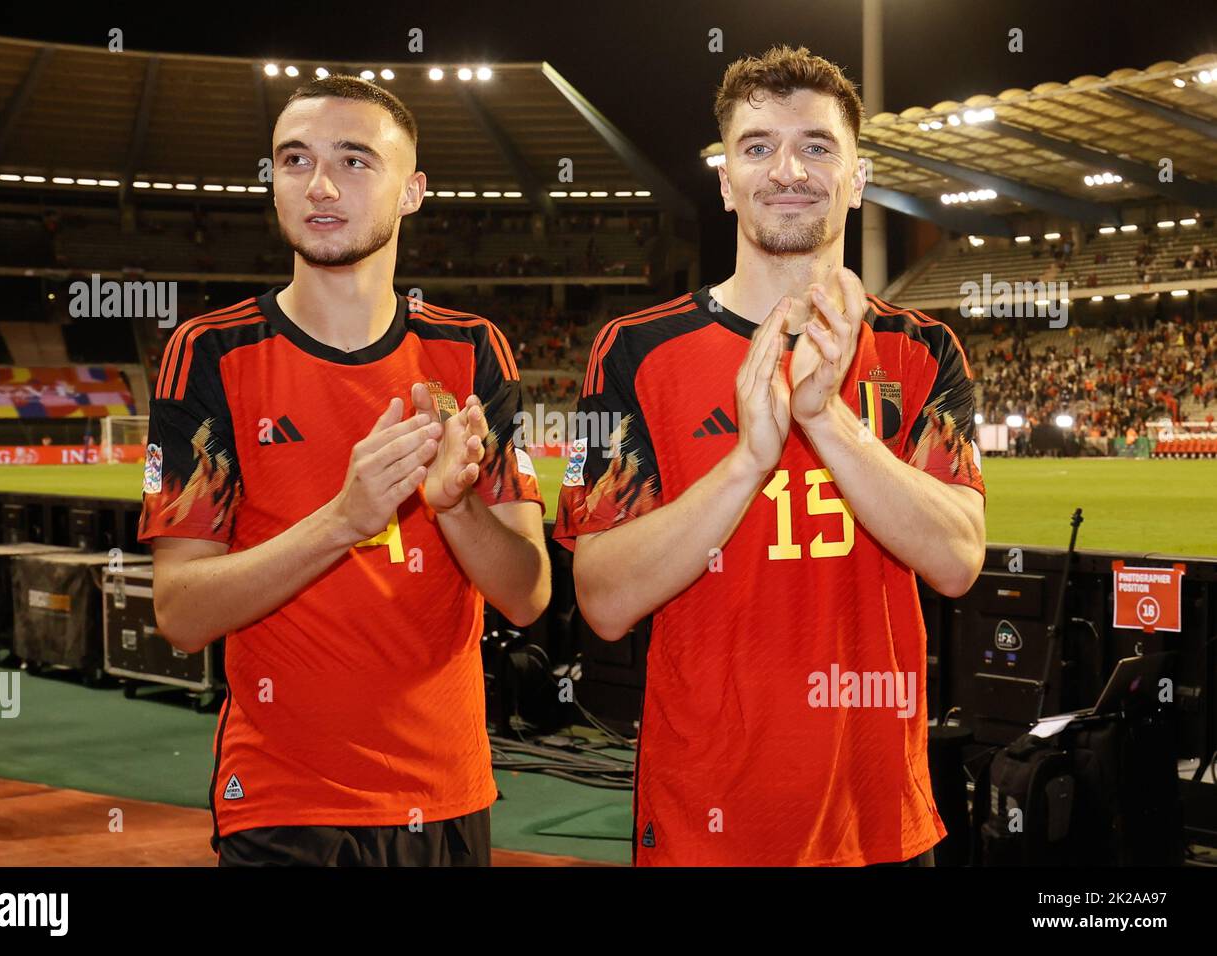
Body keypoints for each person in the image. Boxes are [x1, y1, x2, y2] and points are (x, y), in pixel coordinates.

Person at [554, 45, 986, 866]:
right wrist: (747, 462)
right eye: (757, 147)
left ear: (858, 178)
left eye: (818, 146)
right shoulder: (626, 351)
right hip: (702, 825)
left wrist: (827, 423)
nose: (788, 168)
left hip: (880, 820)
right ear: (725, 180)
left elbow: (959, 558)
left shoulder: (926, 349)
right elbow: (601, 598)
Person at [139, 75, 550, 867]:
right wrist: (343, 520)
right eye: (295, 160)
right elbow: (182, 615)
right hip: (284, 802)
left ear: (413, 192)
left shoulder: (471, 350)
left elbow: (527, 595)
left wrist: (455, 506)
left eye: (356, 161)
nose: (320, 185)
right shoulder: (210, 353)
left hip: (448, 794)